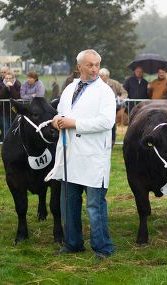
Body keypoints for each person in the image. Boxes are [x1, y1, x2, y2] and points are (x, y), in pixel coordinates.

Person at [48, 49, 116, 260]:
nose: (95, 69)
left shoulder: (105, 92)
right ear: (79, 67)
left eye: (97, 64)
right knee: (68, 203)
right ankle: (73, 243)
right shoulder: (70, 88)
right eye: (90, 65)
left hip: (93, 156)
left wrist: (73, 123)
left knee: (95, 206)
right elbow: (60, 111)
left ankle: (102, 247)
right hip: (70, 155)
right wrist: (56, 120)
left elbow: (107, 122)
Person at [98, 67, 128, 145]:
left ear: (107, 76)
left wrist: (121, 98)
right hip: (100, 108)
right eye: (99, 75)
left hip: (113, 108)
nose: (100, 77)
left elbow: (124, 92)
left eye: (102, 76)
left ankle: (112, 141)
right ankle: (101, 141)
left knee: (112, 124)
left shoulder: (114, 83)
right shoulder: (96, 83)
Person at [0, 70, 21, 141]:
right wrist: (5, 88)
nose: (8, 80)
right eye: (6, 78)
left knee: (14, 127)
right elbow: (0, 96)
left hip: (15, 110)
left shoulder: (17, 85)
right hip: (4, 110)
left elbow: (16, 97)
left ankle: (14, 141)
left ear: (13, 78)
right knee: (5, 127)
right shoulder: (1, 85)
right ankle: (6, 142)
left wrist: (11, 87)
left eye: (10, 78)